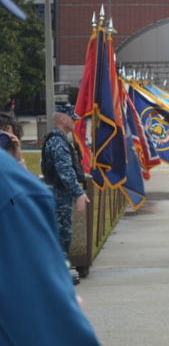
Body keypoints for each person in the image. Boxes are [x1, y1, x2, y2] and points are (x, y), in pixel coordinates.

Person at [0, 149, 101, 345]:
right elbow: (42, 320)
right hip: (61, 198)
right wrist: (54, 294)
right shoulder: (9, 187)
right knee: (63, 240)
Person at [42, 111, 90, 262]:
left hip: (60, 195)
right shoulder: (58, 141)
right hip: (59, 196)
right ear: (63, 119)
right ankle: (59, 269)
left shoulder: (60, 139)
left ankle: (59, 267)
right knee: (62, 236)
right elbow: (64, 170)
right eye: (72, 119)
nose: (75, 121)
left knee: (61, 234)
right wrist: (78, 192)